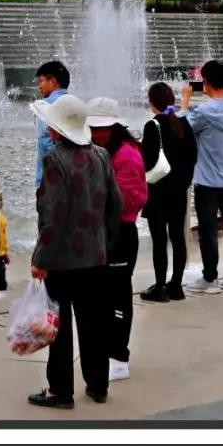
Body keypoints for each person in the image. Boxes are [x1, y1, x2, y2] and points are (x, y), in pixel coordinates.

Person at [27, 93, 122, 409]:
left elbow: (52, 216)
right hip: (95, 255)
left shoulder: (55, 161)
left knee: (60, 324)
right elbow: (115, 204)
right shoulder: (101, 156)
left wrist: (40, 258)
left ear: (56, 130)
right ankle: (98, 385)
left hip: (63, 259)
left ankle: (60, 390)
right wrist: (104, 242)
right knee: (94, 321)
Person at [86, 98, 148, 383]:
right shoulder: (101, 151)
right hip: (101, 231)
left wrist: (98, 197)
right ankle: (106, 350)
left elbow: (134, 198)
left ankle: (119, 355)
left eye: (100, 128)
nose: (95, 133)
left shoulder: (127, 155)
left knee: (119, 294)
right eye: (92, 128)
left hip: (120, 232)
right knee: (101, 295)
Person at [179, 59, 223, 292]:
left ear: (205, 82)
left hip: (208, 178)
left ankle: (210, 279)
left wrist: (185, 101)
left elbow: (183, 129)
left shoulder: (203, 112)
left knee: (208, 228)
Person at [139, 82, 196, 302]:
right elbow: (192, 155)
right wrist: (183, 181)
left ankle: (160, 286)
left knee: (159, 240)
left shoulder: (153, 125)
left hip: (158, 190)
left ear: (152, 102)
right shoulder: (182, 123)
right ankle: (176, 286)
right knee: (178, 238)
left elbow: (149, 160)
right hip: (178, 190)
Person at [33, 60, 70, 189]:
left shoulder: (45, 106)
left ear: (53, 81)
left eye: (41, 81)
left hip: (50, 179)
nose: (39, 86)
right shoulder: (74, 104)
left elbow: (46, 143)